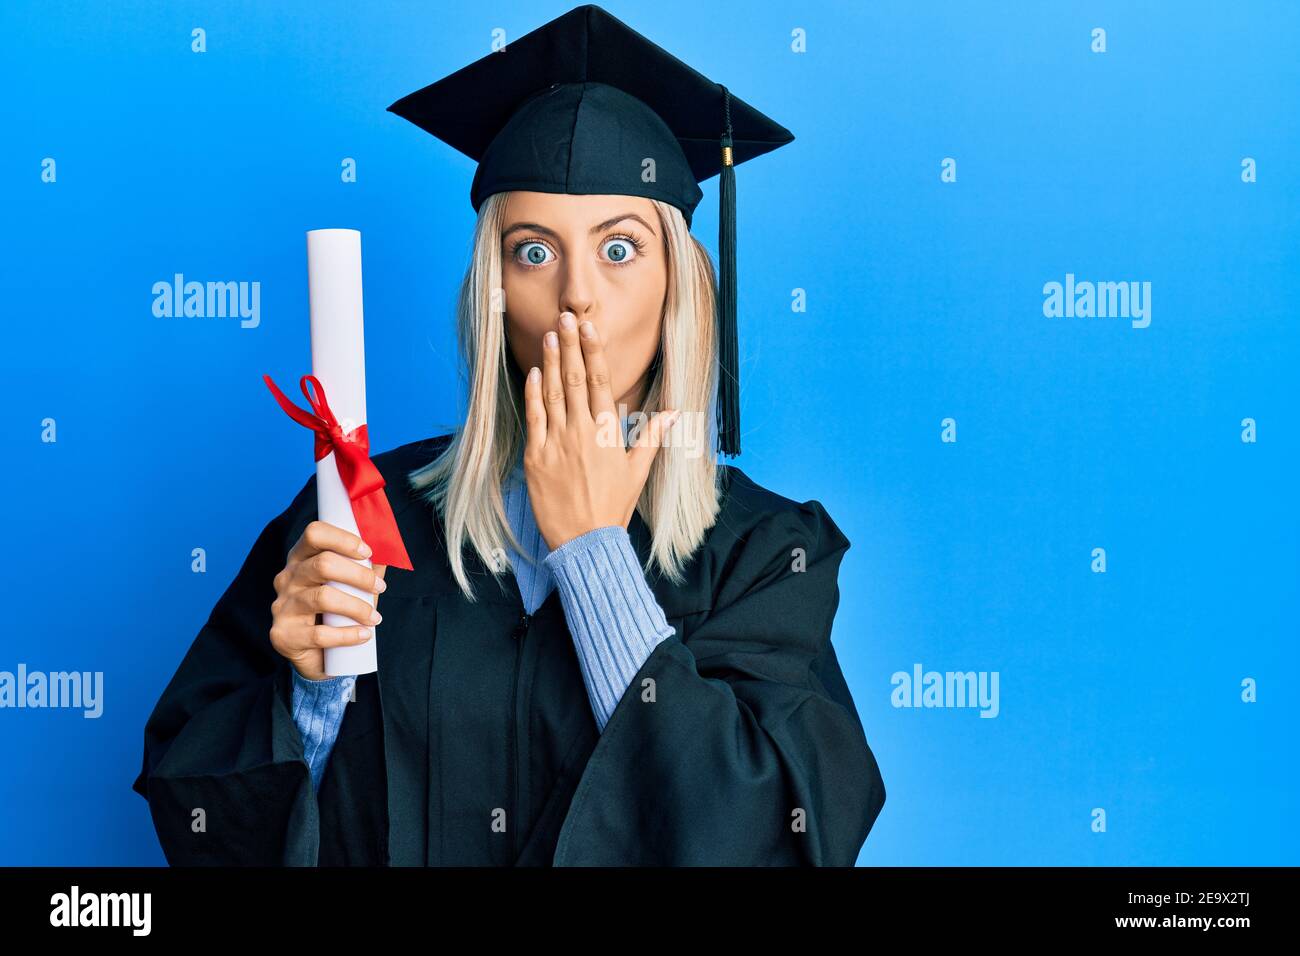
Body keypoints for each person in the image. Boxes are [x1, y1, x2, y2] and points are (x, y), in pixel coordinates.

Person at [132, 3, 886, 866]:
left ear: (680, 283)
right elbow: (199, 808)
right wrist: (309, 694)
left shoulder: (762, 553)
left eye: (619, 249)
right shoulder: (364, 515)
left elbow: (778, 836)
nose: (577, 296)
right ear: (492, 289)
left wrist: (596, 552)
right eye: (533, 251)